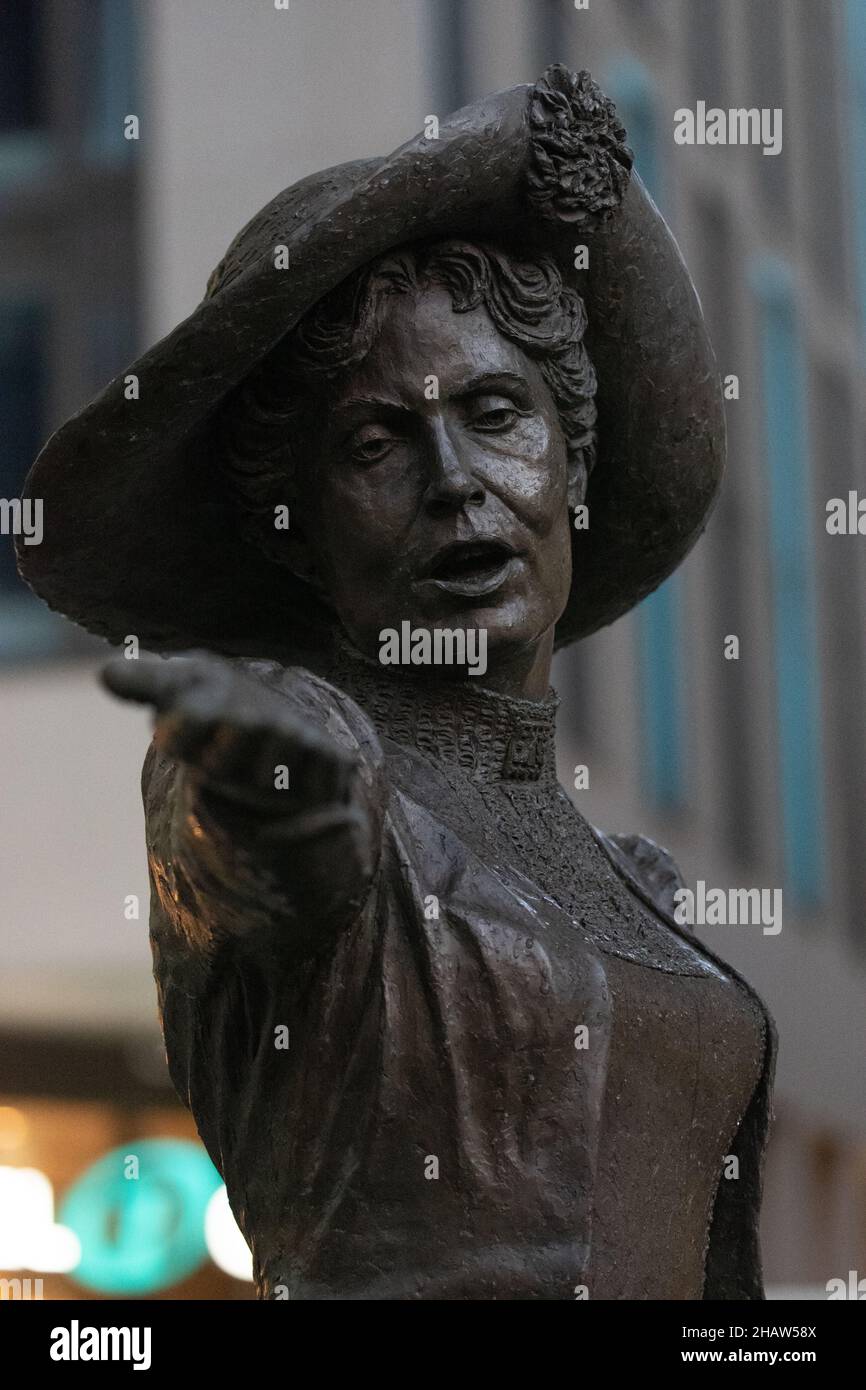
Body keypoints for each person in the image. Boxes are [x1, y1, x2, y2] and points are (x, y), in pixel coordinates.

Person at [17, 66, 775, 1300]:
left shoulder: (622, 873)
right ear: (295, 529)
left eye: (494, 411)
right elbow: (281, 844)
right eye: (375, 444)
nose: (454, 479)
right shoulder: (298, 754)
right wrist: (272, 792)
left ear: (569, 458)